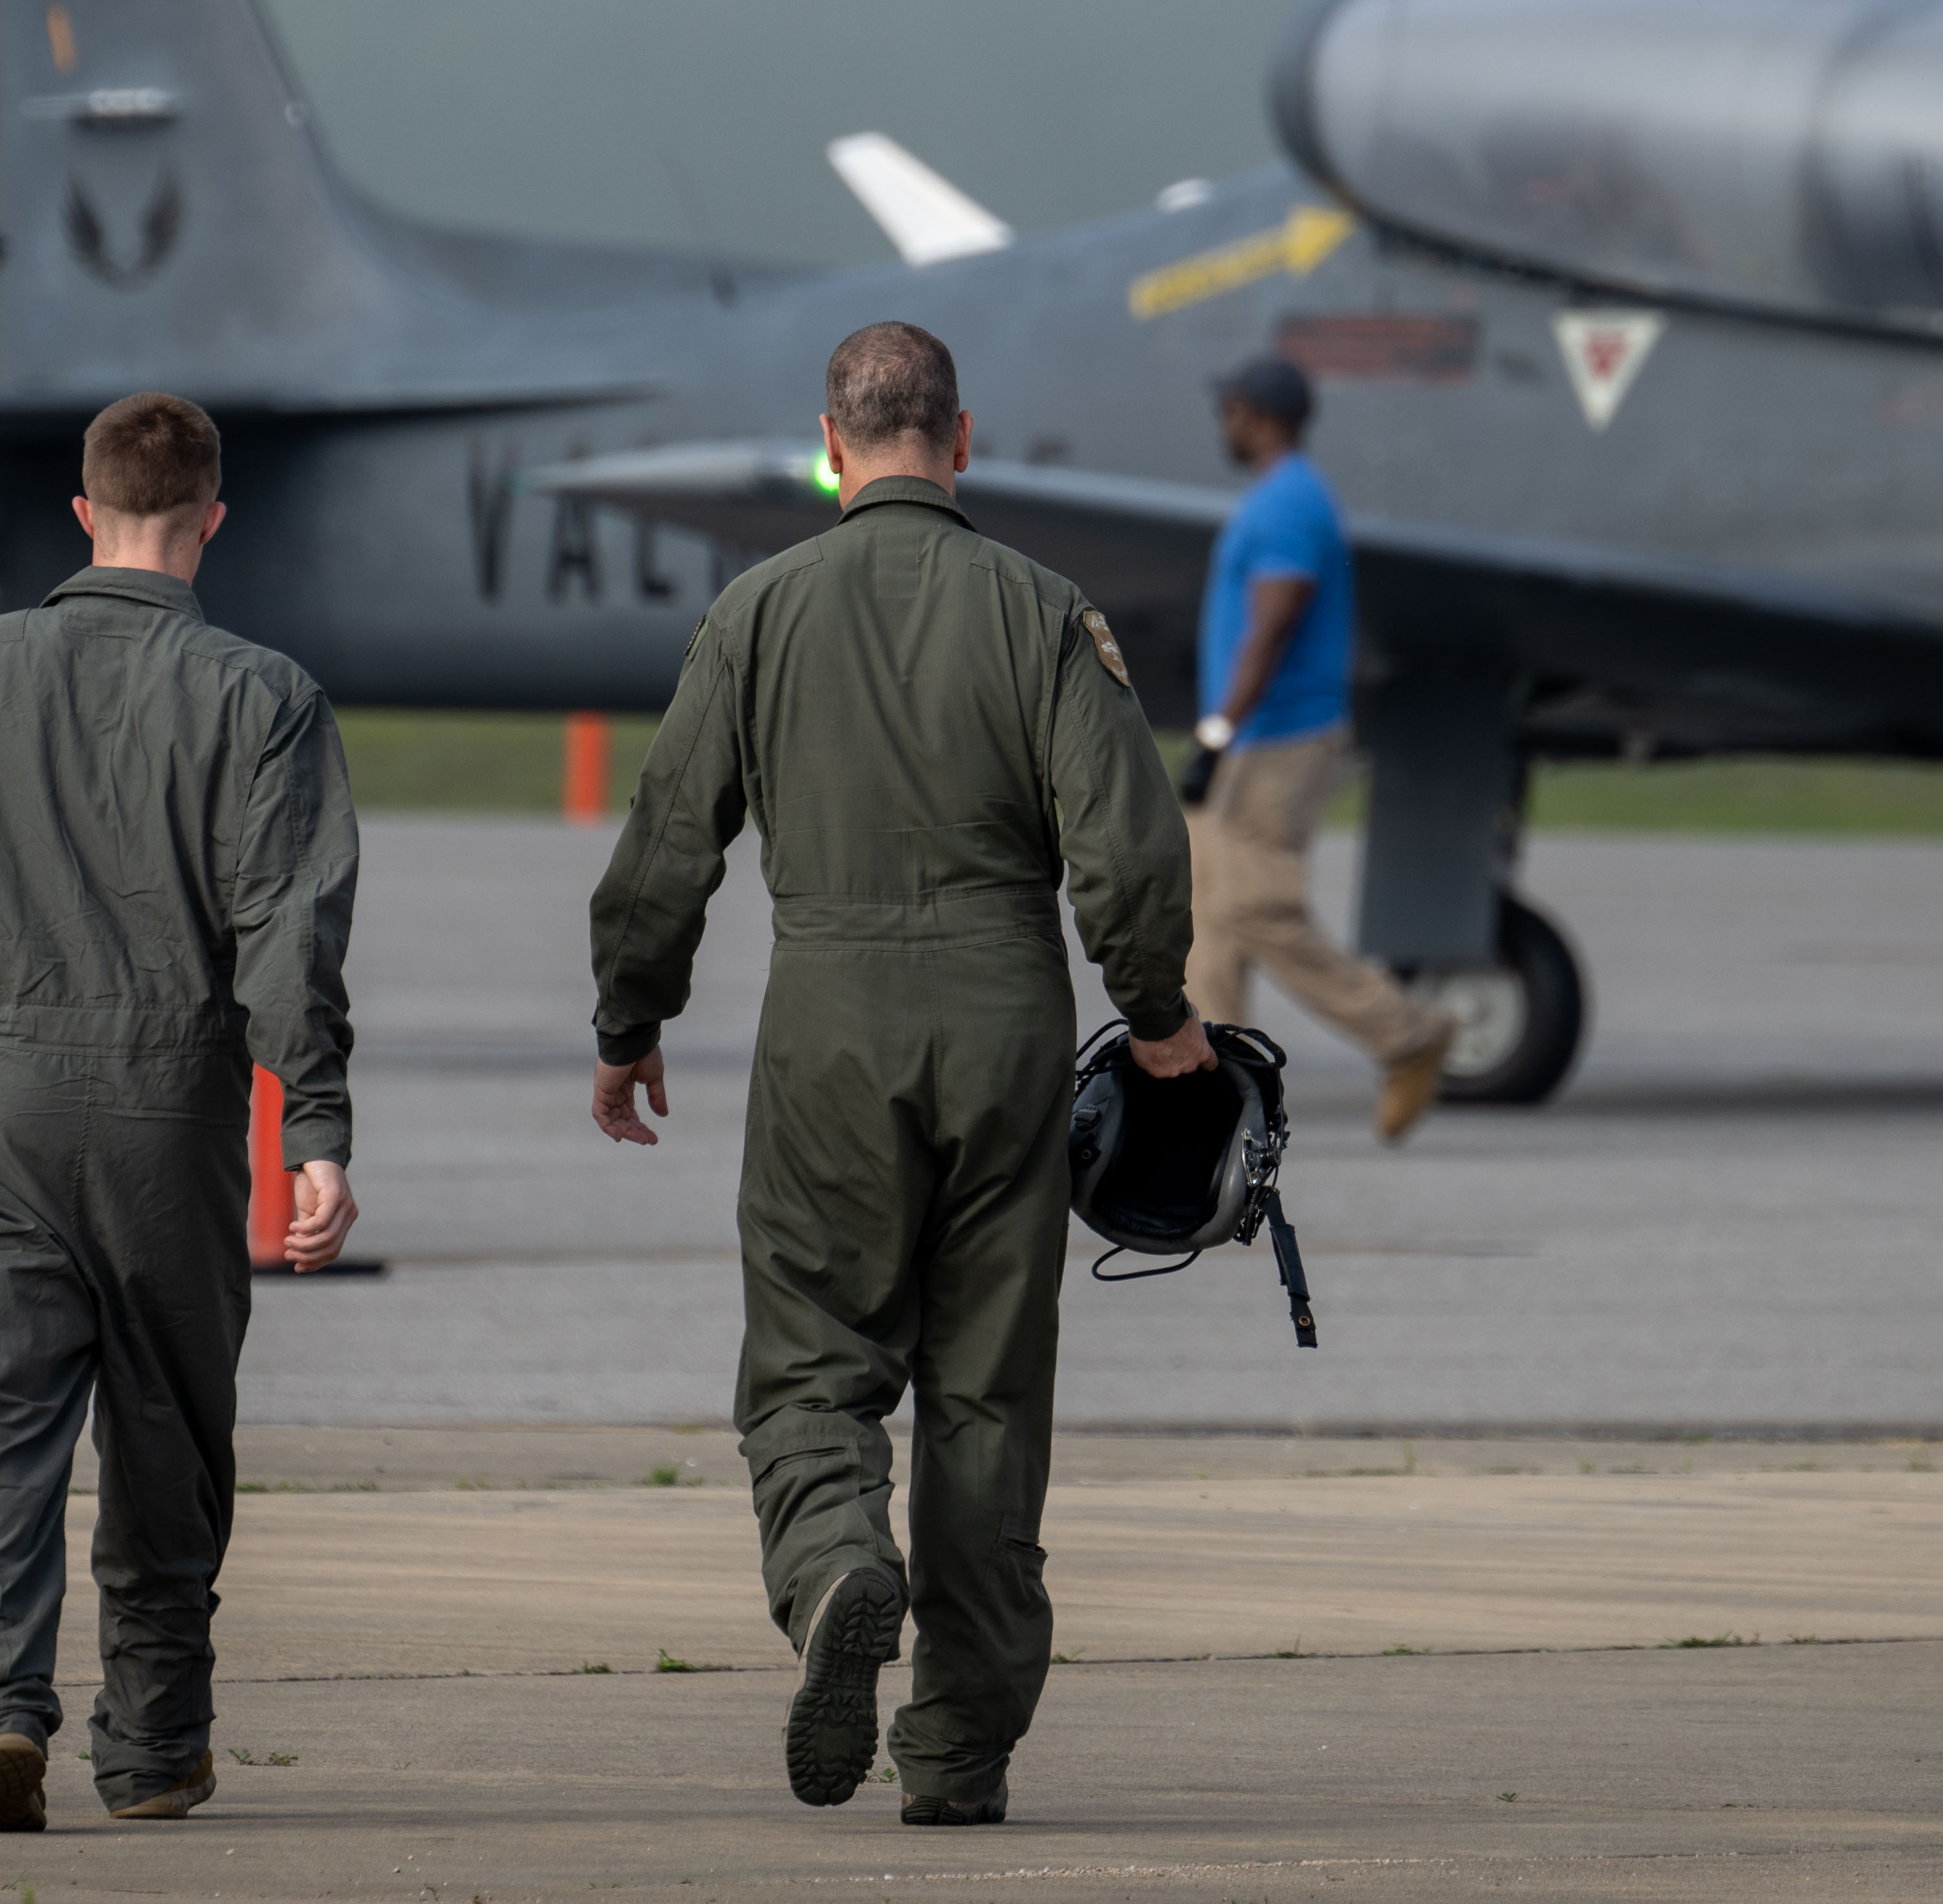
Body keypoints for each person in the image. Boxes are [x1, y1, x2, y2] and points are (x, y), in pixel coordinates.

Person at [589, 320, 1198, 1828]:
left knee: (813, 1352)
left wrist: (629, 1017)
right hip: (1005, 1020)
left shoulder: (759, 609)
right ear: (963, 439)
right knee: (986, 1396)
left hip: (830, 1018)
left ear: (831, 446)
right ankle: (958, 1752)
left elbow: (669, 840)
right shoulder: (1047, 613)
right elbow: (1124, 846)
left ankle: (834, 1565)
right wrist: (1160, 1011)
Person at [0, 391, 361, 1836]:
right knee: (168, 1439)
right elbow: (291, 941)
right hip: (176, 1115)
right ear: (214, 521)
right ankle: (158, 1746)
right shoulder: (267, 696)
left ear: (80, 512)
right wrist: (317, 1138)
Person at [1179, 354, 1453, 1141]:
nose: (1223, 423)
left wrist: (1216, 732)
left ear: (1257, 415)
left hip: (1279, 739)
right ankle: (1219, 1101)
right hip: (1255, 736)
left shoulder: (1291, 503)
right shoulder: (1278, 497)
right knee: (1205, 917)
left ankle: (1407, 1032)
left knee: (1256, 908)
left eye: (1229, 409)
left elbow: (1274, 621)